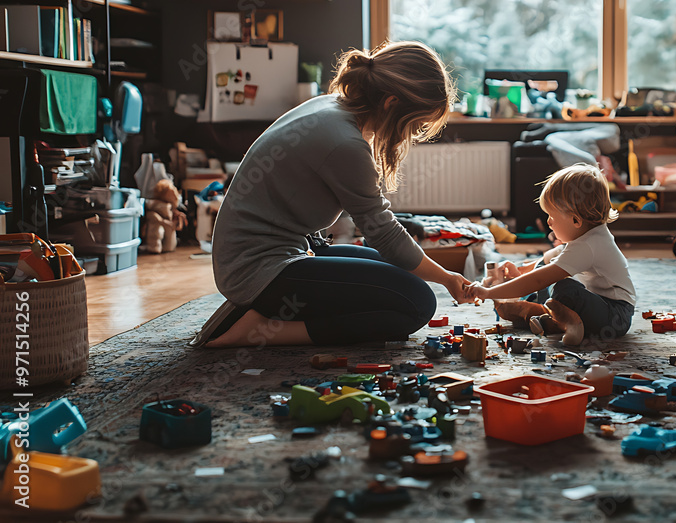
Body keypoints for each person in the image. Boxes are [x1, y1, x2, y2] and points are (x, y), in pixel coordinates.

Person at [190, 41, 468, 348]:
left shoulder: (335, 106)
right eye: (415, 125)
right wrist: (448, 277)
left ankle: (270, 316)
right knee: (416, 303)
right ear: (390, 104)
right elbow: (384, 235)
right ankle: (259, 329)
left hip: (284, 253)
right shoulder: (344, 141)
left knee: (406, 278)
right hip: (260, 272)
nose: (411, 135)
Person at [465, 163, 636, 346]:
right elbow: (547, 260)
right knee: (546, 271)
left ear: (576, 220)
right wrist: (521, 270)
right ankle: (551, 316)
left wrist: (489, 292)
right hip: (598, 306)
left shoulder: (588, 245)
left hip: (615, 316)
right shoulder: (588, 235)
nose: (548, 222)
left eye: (552, 216)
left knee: (562, 286)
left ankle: (567, 323)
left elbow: (540, 280)